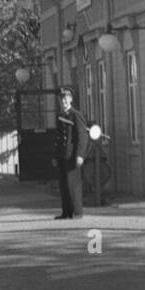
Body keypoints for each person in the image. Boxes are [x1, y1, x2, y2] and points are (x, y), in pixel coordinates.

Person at [52, 87, 88, 219]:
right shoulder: (60, 115)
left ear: (71, 99)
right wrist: (55, 155)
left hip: (72, 155)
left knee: (74, 185)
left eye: (66, 98)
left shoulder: (76, 115)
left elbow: (82, 137)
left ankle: (77, 212)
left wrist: (80, 155)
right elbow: (58, 137)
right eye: (62, 98)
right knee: (63, 185)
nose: (64, 101)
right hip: (62, 155)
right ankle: (66, 212)